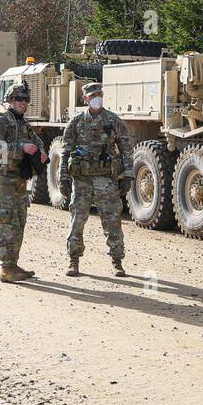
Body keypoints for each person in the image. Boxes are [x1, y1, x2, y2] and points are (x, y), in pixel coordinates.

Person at [60, 81, 133, 277]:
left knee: (112, 220)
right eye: (92, 96)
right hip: (82, 180)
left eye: (99, 95)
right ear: (85, 99)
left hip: (106, 179)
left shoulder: (113, 120)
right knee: (77, 220)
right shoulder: (75, 122)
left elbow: (126, 149)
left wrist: (128, 174)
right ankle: (73, 261)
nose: (96, 99)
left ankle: (117, 260)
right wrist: (63, 178)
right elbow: (65, 150)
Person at [0, 83, 46, 283]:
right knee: (6, 222)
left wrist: (40, 152)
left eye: (25, 100)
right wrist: (22, 147)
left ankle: (13, 264)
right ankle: (6, 268)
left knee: (19, 222)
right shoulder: (0, 122)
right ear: (10, 101)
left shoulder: (23, 124)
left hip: (19, 180)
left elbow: (36, 142)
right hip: (4, 180)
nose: (23, 103)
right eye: (19, 99)